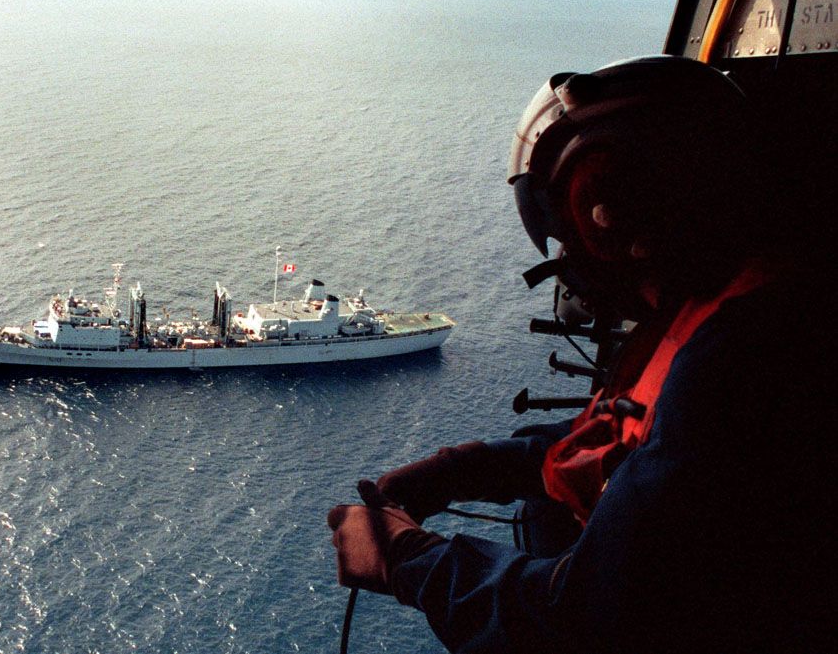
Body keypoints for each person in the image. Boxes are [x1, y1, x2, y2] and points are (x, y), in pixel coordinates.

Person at [327, 56, 832, 654]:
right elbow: (625, 437)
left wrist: (406, 559)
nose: (566, 250)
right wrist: (466, 469)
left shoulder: (745, 360)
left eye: (571, 215)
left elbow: (578, 619)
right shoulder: (731, 309)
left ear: (618, 213)